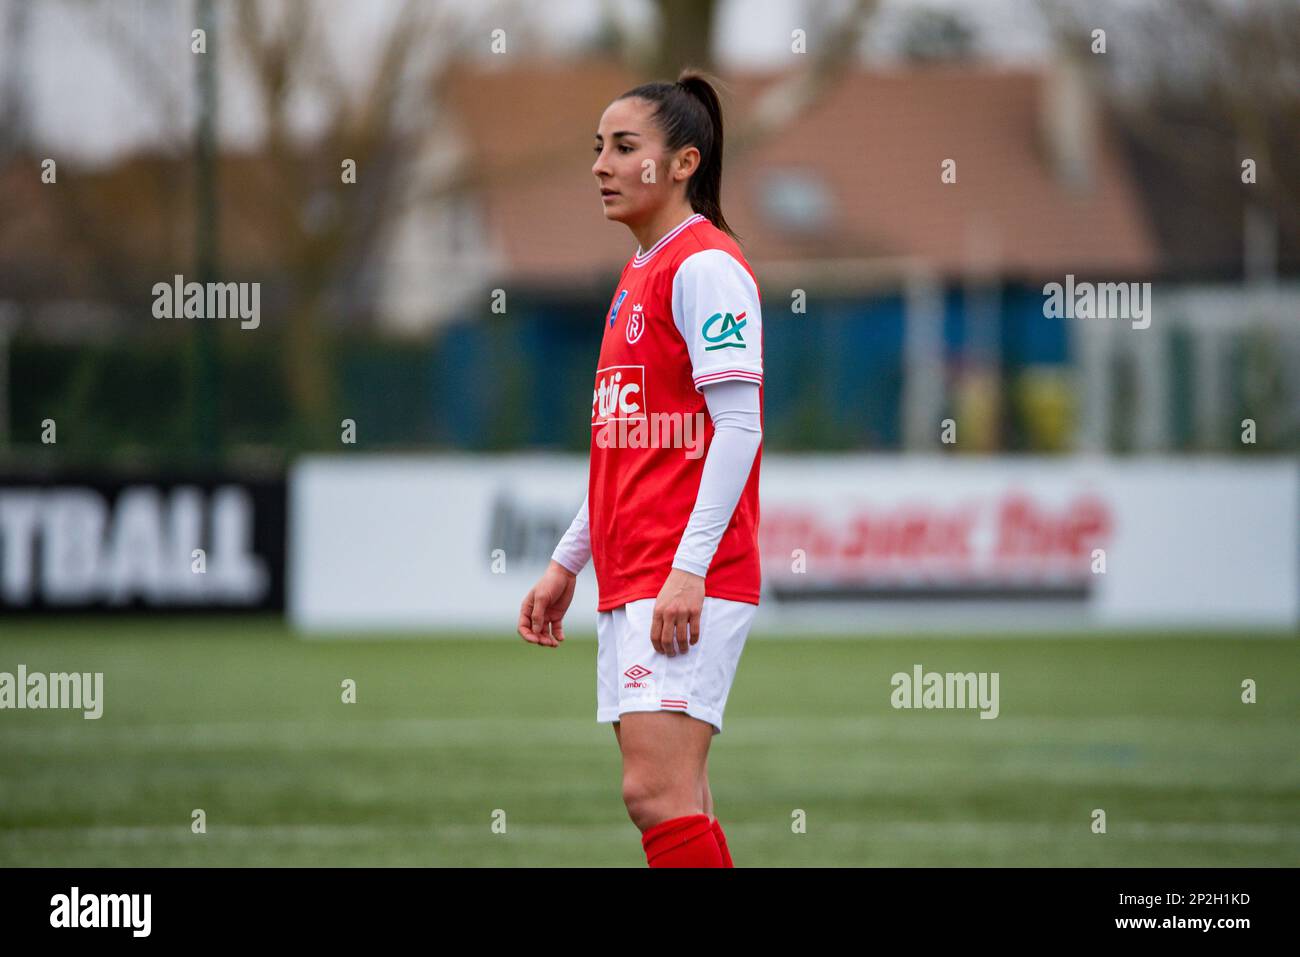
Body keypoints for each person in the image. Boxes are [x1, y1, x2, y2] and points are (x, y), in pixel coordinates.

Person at [517, 70, 763, 868]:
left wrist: (689, 569)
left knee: (653, 793)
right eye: (598, 148)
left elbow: (737, 426)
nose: (601, 164)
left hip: (683, 573)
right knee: (675, 798)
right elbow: (628, 448)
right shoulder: (639, 273)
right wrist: (567, 562)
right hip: (635, 575)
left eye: (625, 147)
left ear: (683, 162)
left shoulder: (704, 267)